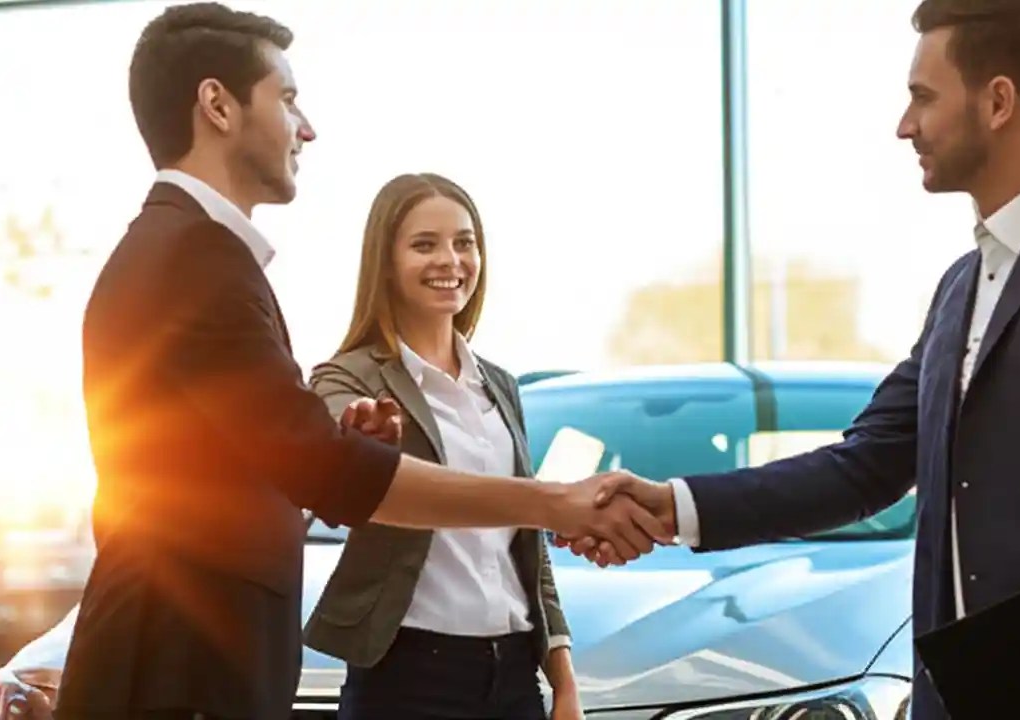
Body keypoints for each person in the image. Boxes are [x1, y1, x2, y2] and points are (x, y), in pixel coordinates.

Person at [570, 1, 1020, 717]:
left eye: (922, 98)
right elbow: (863, 467)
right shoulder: (960, 288)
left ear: (997, 101)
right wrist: (675, 504)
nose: (906, 126)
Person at [58, 4, 667, 719]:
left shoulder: (183, 252)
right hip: (179, 669)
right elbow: (319, 464)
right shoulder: (196, 261)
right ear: (217, 105)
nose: (306, 127)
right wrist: (553, 501)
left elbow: (244, 468)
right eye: (287, 99)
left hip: (184, 661)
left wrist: (348, 454)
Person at [303, 172, 583, 720]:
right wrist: (360, 446)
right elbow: (337, 469)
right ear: (385, 261)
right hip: (408, 676)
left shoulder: (500, 386)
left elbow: (526, 544)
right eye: (424, 244)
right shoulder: (346, 379)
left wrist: (565, 684)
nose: (450, 260)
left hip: (514, 677)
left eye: (464, 242)